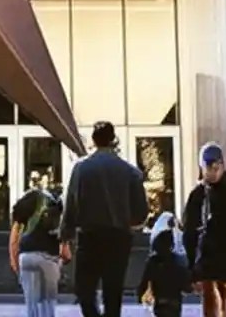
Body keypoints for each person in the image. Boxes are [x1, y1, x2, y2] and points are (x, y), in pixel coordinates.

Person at [59, 121, 148, 317]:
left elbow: (71, 205)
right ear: (113, 140)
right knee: (113, 291)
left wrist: (65, 237)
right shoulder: (130, 172)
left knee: (85, 289)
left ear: (93, 140)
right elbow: (141, 212)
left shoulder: (81, 169)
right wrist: (127, 221)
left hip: (89, 237)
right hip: (119, 238)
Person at [181, 142, 226, 317]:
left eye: (216, 167)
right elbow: (189, 231)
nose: (213, 171)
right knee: (213, 298)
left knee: (224, 298)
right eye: (210, 167)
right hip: (208, 254)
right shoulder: (199, 194)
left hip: (224, 252)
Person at [11, 185, 65, 317]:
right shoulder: (57, 205)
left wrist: (14, 261)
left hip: (27, 256)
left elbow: (14, 239)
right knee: (48, 302)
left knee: (32, 302)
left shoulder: (25, 209)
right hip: (50, 257)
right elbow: (64, 238)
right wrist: (63, 257)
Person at [137, 227, 192, 317]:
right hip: (174, 303)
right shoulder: (177, 261)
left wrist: (141, 295)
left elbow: (144, 282)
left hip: (159, 303)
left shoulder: (153, 263)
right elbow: (187, 287)